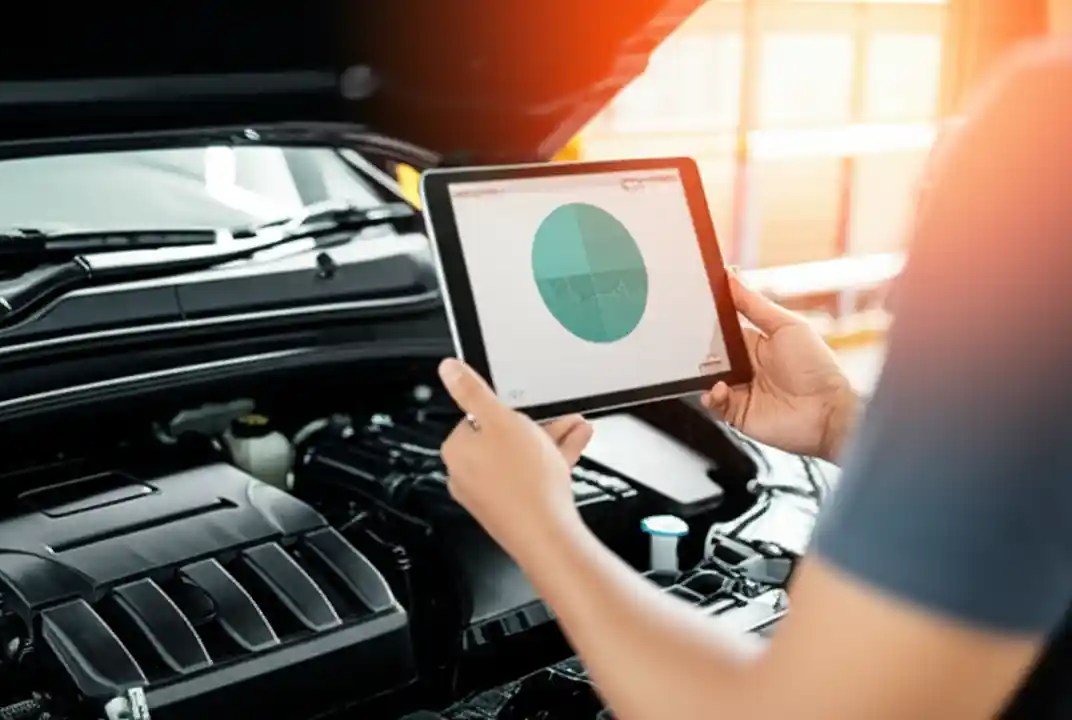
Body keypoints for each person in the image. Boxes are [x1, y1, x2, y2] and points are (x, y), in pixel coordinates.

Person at [435, 40, 1072, 719]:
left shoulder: (1044, 125)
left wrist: (538, 527)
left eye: (937, 212)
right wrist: (836, 421)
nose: (896, 292)